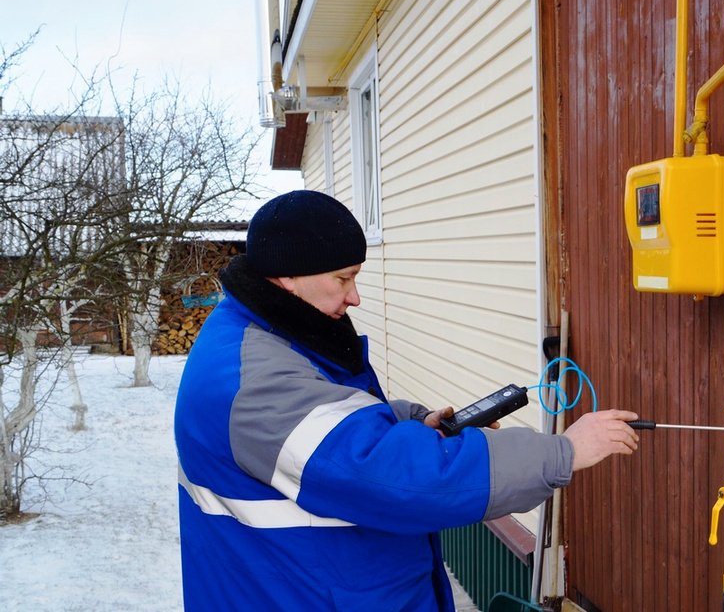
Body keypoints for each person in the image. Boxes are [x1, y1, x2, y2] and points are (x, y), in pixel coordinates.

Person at [174, 190, 639, 611]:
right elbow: (394, 476)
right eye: (343, 279)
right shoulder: (254, 382)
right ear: (288, 275)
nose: (355, 297)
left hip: (317, 581)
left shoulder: (268, 328)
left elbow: (329, 417)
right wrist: (564, 451)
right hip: (303, 593)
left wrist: (409, 421)